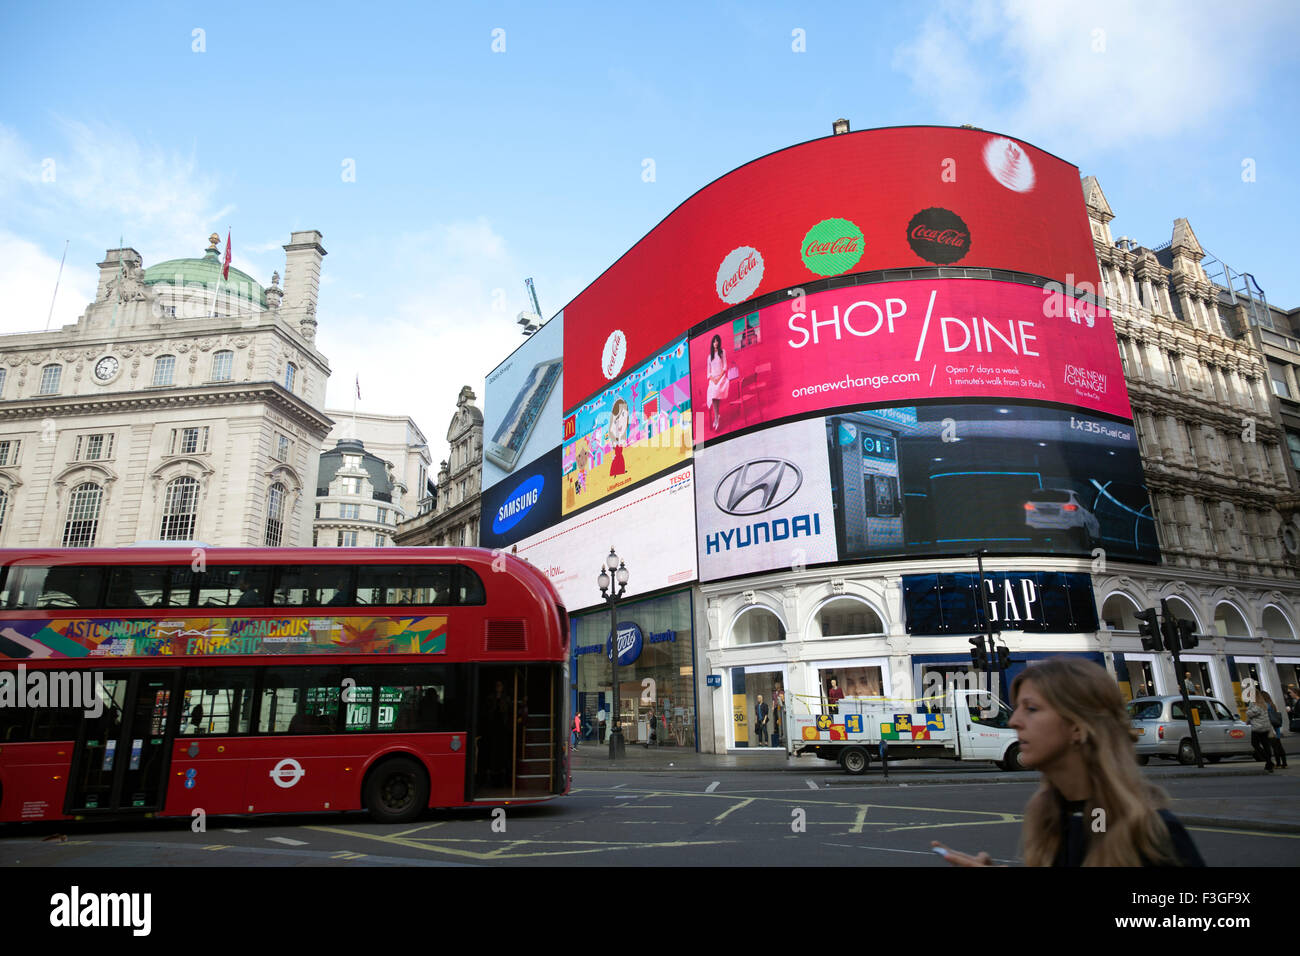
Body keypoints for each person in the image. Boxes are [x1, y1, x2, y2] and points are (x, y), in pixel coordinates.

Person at [932, 657, 1205, 866]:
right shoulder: (1059, 818)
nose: (1014, 721)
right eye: (1017, 709)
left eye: (1032, 709)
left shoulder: (1151, 834)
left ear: (1077, 726)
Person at [705, 334, 729, 432]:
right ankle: (717, 416)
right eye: (714, 341)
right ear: (712, 343)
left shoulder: (722, 352)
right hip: (713, 379)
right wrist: (713, 379)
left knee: (716, 391)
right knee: (713, 392)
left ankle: (716, 418)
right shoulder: (709, 357)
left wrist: (718, 378)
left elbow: (725, 367)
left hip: (721, 377)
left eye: (717, 341)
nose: (716, 343)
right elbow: (708, 372)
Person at [1246, 692, 1275, 772]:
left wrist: (1247, 712)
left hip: (1258, 728)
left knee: (1254, 743)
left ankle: (1268, 761)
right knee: (1266, 745)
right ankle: (1269, 764)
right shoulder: (1263, 703)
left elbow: (1253, 712)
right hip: (1265, 727)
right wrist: (1248, 720)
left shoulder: (1255, 703)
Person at [1262, 690, 1288, 769]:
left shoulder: (1265, 705)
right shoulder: (1272, 704)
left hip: (1270, 727)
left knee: (1275, 746)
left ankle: (1278, 763)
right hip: (1276, 727)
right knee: (1279, 745)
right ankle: (1284, 763)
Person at [607, 400, 629, 477]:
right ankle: (615, 473)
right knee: (617, 462)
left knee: (620, 462)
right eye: (618, 418)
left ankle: (621, 471)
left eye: (624, 416)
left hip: (619, 454)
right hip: (617, 455)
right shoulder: (614, 437)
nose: (620, 422)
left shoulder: (622, 436)